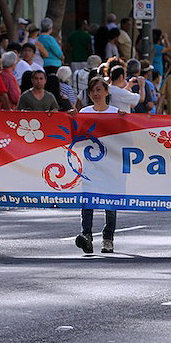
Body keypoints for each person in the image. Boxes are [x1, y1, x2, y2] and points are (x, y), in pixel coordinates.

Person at [73, 76, 126, 254]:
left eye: (99, 90)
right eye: (92, 91)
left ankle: (108, 238)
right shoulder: (85, 112)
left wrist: (124, 120)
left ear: (106, 92)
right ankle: (86, 235)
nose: (96, 94)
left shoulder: (115, 112)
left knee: (110, 203)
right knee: (87, 201)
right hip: (90, 165)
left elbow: (126, 136)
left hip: (111, 165)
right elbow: (76, 137)